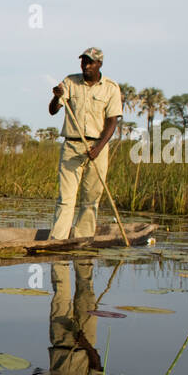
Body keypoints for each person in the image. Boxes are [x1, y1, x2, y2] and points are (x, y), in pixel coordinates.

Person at [47, 48, 121, 240]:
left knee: (91, 198)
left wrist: (98, 148)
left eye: (90, 62)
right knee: (66, 198)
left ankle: (83, 239)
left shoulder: (111, 88)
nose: (86, 66)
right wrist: (57, 96)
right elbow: (53, 110)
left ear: (99, 64)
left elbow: (112, 122)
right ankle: (58, 240)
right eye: (84, 62)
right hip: (72, 146)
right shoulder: (70, 82)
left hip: (98, 147)